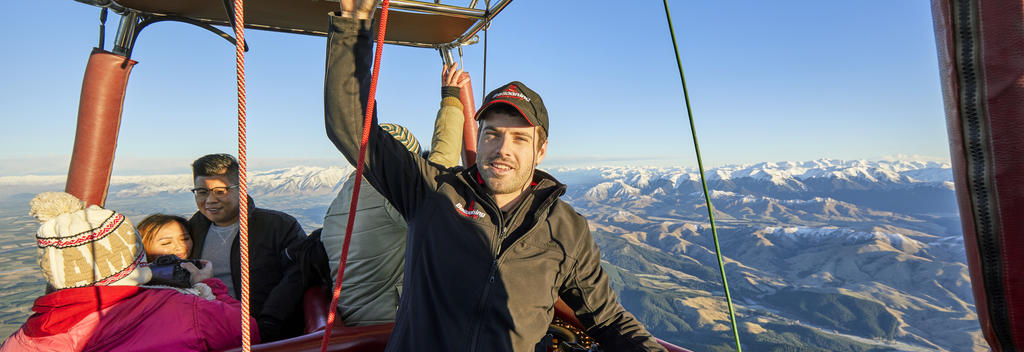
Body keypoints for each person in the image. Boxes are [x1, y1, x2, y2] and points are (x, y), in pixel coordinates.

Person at [324, 2, 667, 351]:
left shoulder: (566, 228)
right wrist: (354, 26)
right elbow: (354, 129)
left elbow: (607, 318)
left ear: (541, 150)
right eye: (492, 134)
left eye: (520, 138)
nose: (502, 148)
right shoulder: (434, 193)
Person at [1, 192, 258, 352]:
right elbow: (247, 331)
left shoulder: (22, 340)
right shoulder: (185, 310)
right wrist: (209, 288)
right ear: (134, 253)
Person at [320, 63, 467, 326]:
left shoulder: (341, 200)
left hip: (353, 316)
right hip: (388, 321)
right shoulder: (388, 193)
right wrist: (451, 101)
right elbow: (440, 170)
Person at [186, 153, 308, 342]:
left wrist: (267, 326)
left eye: (220, 191)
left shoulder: (279, 227)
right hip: (207, 331)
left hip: (264, 333)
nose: (210, 200)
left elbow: (297, 278)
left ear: (240, 188)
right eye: (202, 192)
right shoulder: (191, 230)